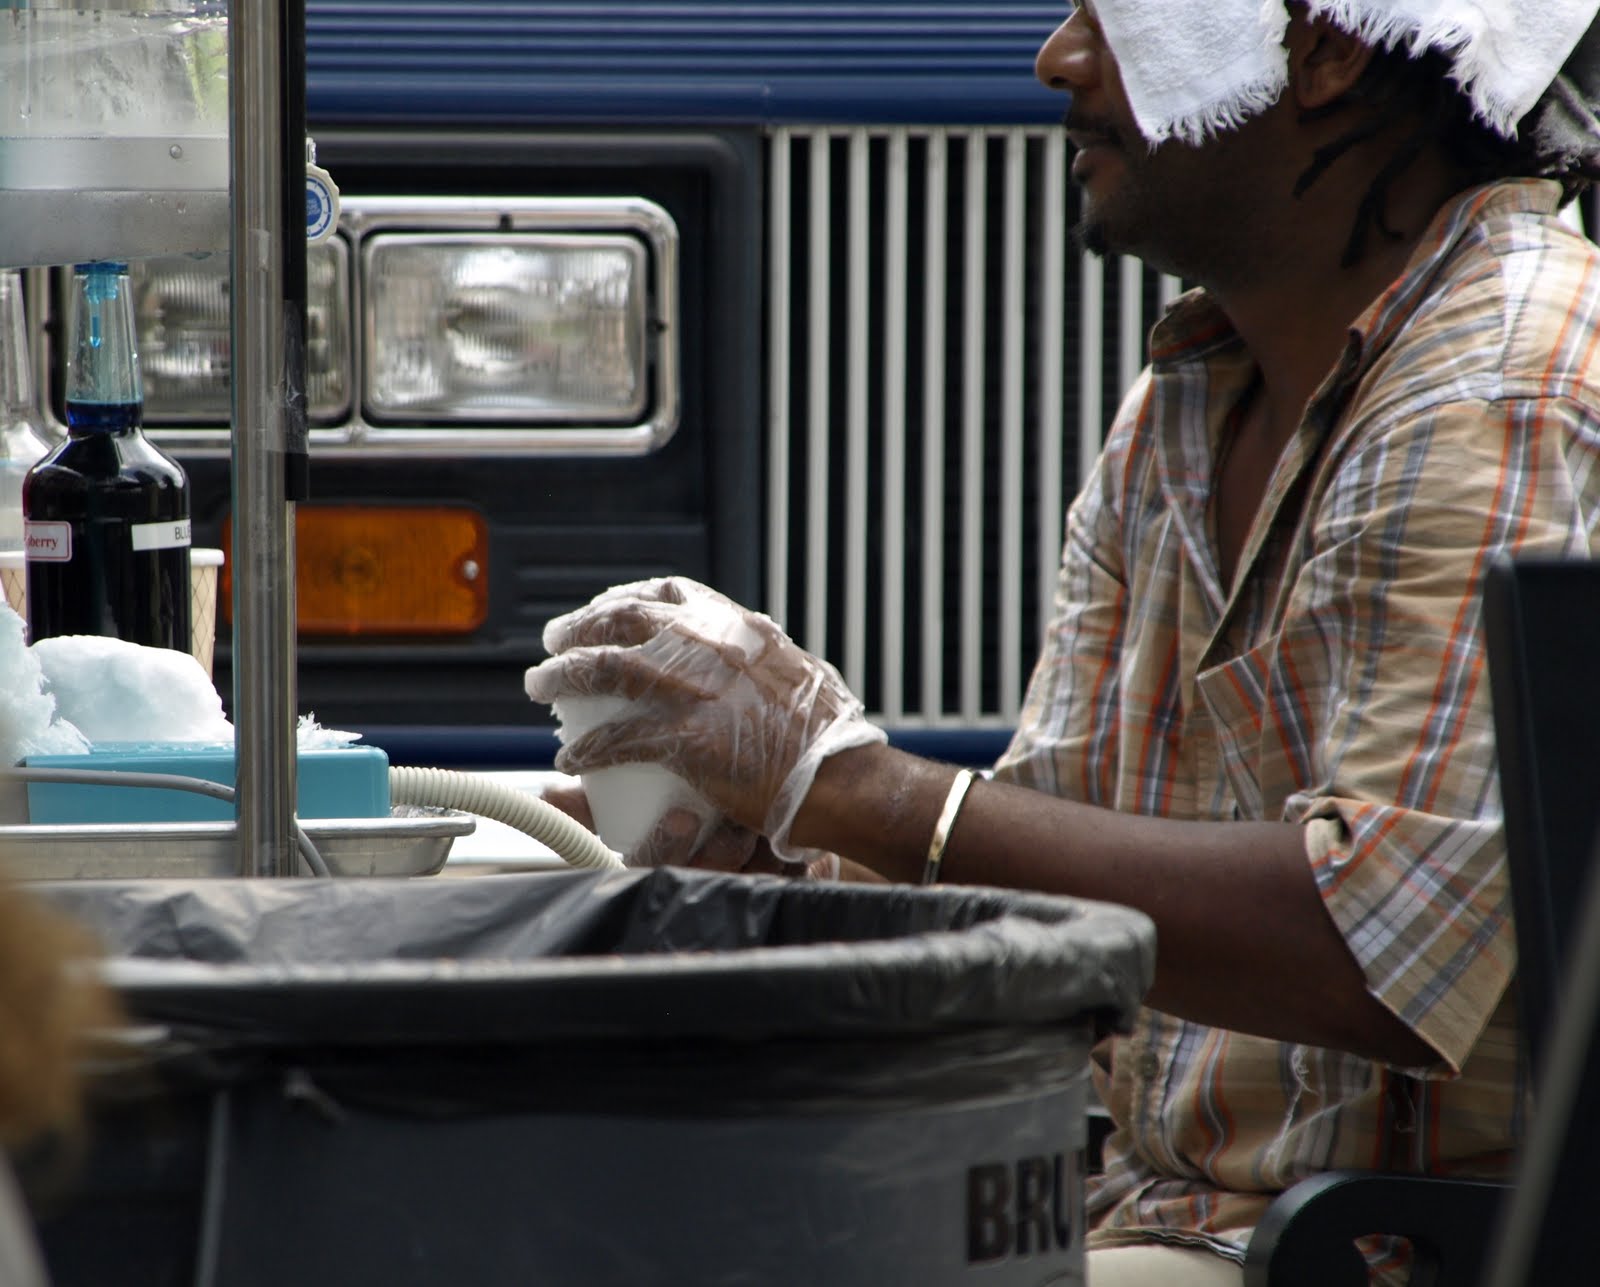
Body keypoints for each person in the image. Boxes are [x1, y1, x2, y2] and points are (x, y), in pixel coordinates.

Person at [528, 2, 1600, 1282]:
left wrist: (852, 785)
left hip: (1377, 1250)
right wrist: (775, 847)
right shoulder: (1191, 394)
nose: (1060, 58)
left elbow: (1378, 946)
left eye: (1120, 13)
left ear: (1327, 49)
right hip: (1144, 1209)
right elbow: (1048, 856)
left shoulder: (1502, 387)